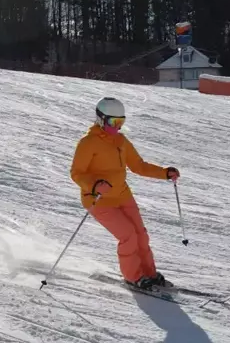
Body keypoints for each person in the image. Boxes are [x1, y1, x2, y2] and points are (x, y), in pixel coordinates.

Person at [70, 97, 180, 290]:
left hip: (123, 195)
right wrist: (95, 185)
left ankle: (150, 274)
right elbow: (77, 173)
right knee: (128, 235)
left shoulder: (121, 141)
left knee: (141, 235)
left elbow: (138, 165)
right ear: (101, 119)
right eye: (113, 122)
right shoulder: (88, 143)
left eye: (121, 122)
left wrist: (164, 173)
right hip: (99, 200)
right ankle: (133, 276)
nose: (117, 127)